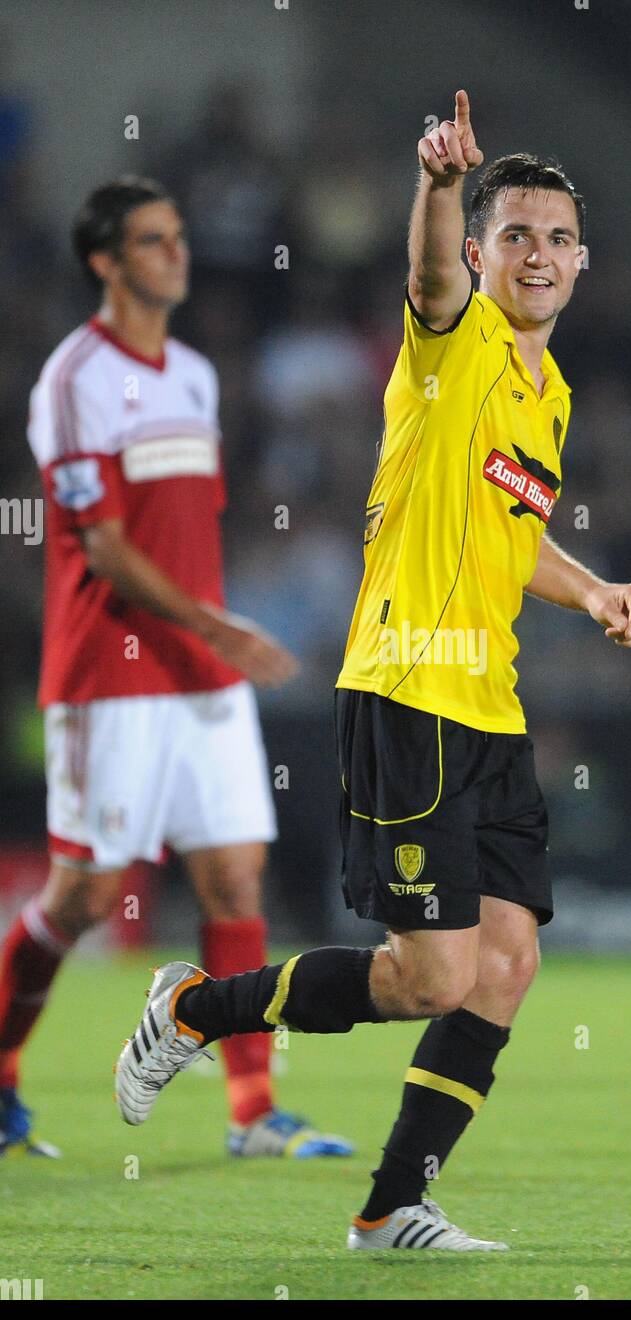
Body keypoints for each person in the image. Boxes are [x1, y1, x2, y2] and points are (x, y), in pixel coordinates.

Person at [116, 92, 631, 1250]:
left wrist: (591, 587)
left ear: (581, 259)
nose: (539, 255)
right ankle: (192, 1007)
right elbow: (422, 278)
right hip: (407, 691)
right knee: (429, 978)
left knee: (505, 965)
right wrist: (435, 181)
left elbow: (510, 537)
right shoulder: (450, 342)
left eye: (558, 238)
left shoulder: (545, 398)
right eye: (514, 233)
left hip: (489, 710)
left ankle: (391, 1202)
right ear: (477, 250)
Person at [0, 175, 352, 1162]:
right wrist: (221, 625)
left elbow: (188, 526)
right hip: (110, 672)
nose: (177, 254)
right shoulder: (72, 379)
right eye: (153, 242)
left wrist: (215, 633)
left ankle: (251, 1111)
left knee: (236, 882)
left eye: (179, 237)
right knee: (81, 898)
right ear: (106, 262)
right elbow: (103, 545)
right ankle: (0, 1075)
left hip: (204, 671)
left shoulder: (194, 375)